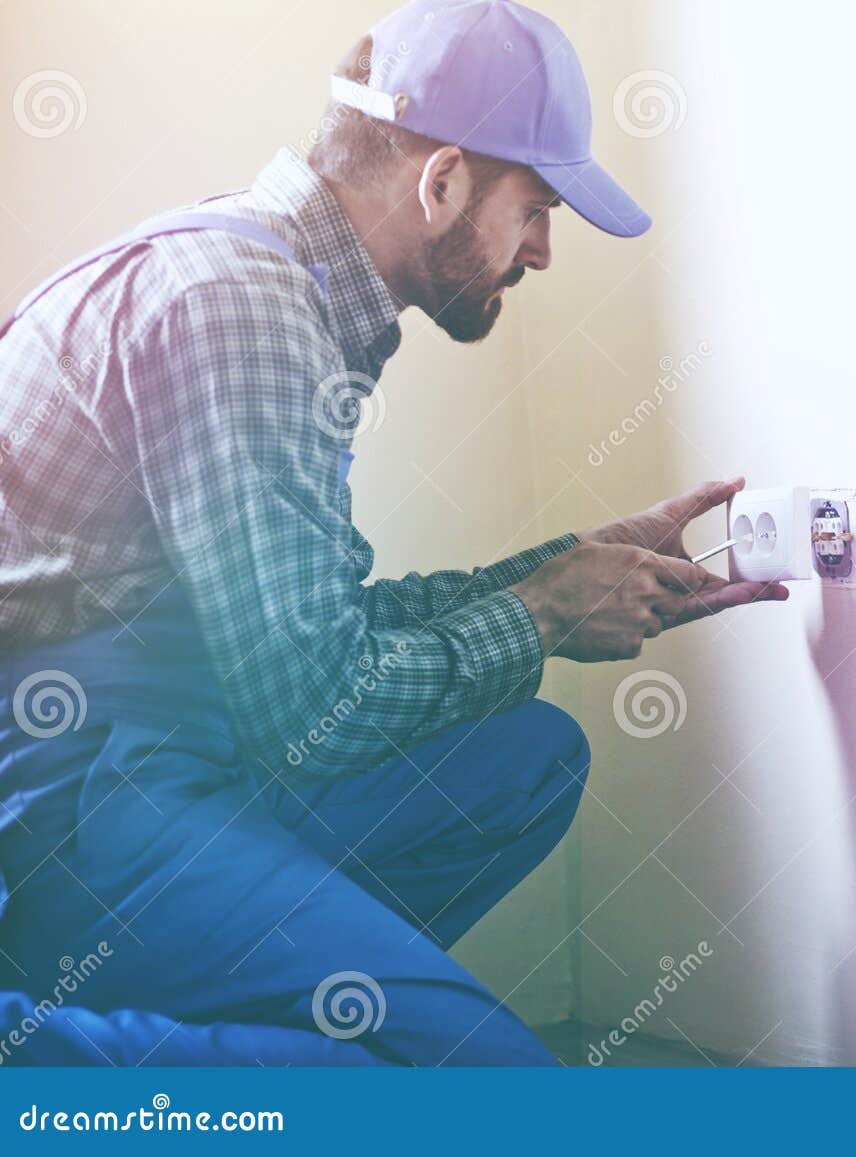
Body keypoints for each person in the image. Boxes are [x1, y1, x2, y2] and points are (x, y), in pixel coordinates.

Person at [0, 0, 784, 1066]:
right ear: (444, 180)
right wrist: (543, 613)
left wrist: (562, 569)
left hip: (176, 736)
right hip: (69, 801)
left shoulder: (286, 286)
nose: (544, 251)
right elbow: (315, 710)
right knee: (476, 1076)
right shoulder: (240, 307)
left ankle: (237, 1011)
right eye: (537, 205)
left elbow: (318, 629)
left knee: (526, 756)